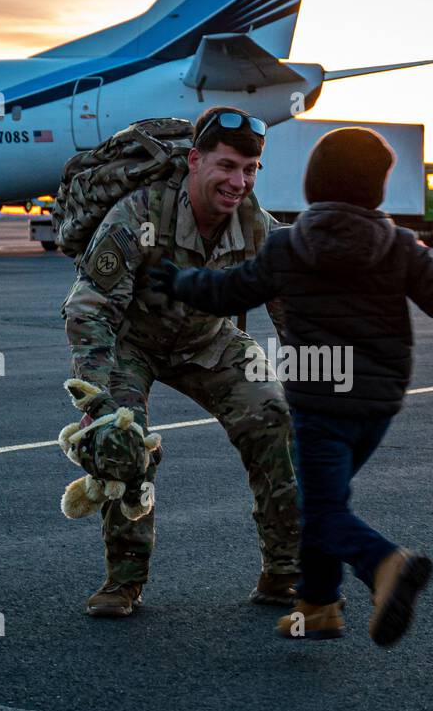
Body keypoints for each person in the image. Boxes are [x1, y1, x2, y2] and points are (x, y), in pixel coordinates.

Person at [151, 126, 433, 645]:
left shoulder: (290, 244)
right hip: (377, 405)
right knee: (326, 501)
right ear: (378, 190)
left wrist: (177, 280)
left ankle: (386, 565)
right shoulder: (399, 246)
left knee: (318, 510)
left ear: (313, 184)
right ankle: (318, 604)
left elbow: (226, 291)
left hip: (320, 402)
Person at [61, 107, 301, 617]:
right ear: (195, 160)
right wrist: (95, 399)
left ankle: (284, 571)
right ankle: (123, 582)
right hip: (133, 343)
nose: (239, 182)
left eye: (250, 170)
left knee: (273, 418)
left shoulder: (256, 226)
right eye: (227, 166)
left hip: (208, 340)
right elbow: (89, 308)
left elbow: (291, 312)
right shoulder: (140, 214)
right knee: (122, 439)